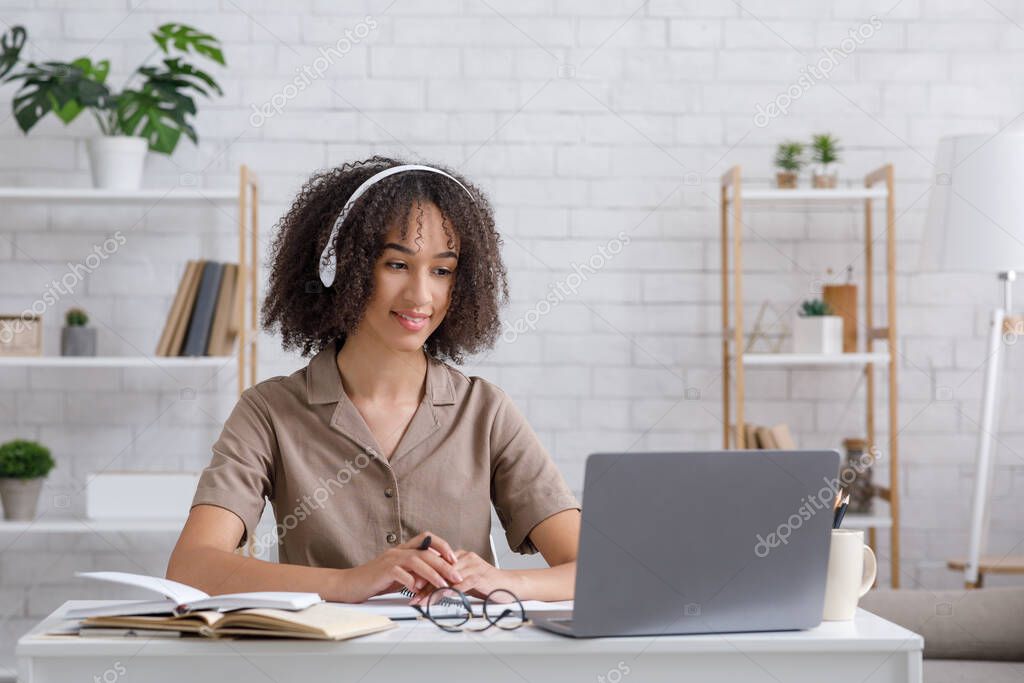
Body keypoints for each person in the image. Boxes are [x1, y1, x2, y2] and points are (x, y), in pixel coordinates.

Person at [166, 156, 582, 605]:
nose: (421, 295)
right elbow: (192, 567)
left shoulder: (484, 410)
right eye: (397, 265)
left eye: (442, 271)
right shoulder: (269, 411)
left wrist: (504, 583)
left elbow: (597, 568)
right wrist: (347, 583)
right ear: (341, 267)